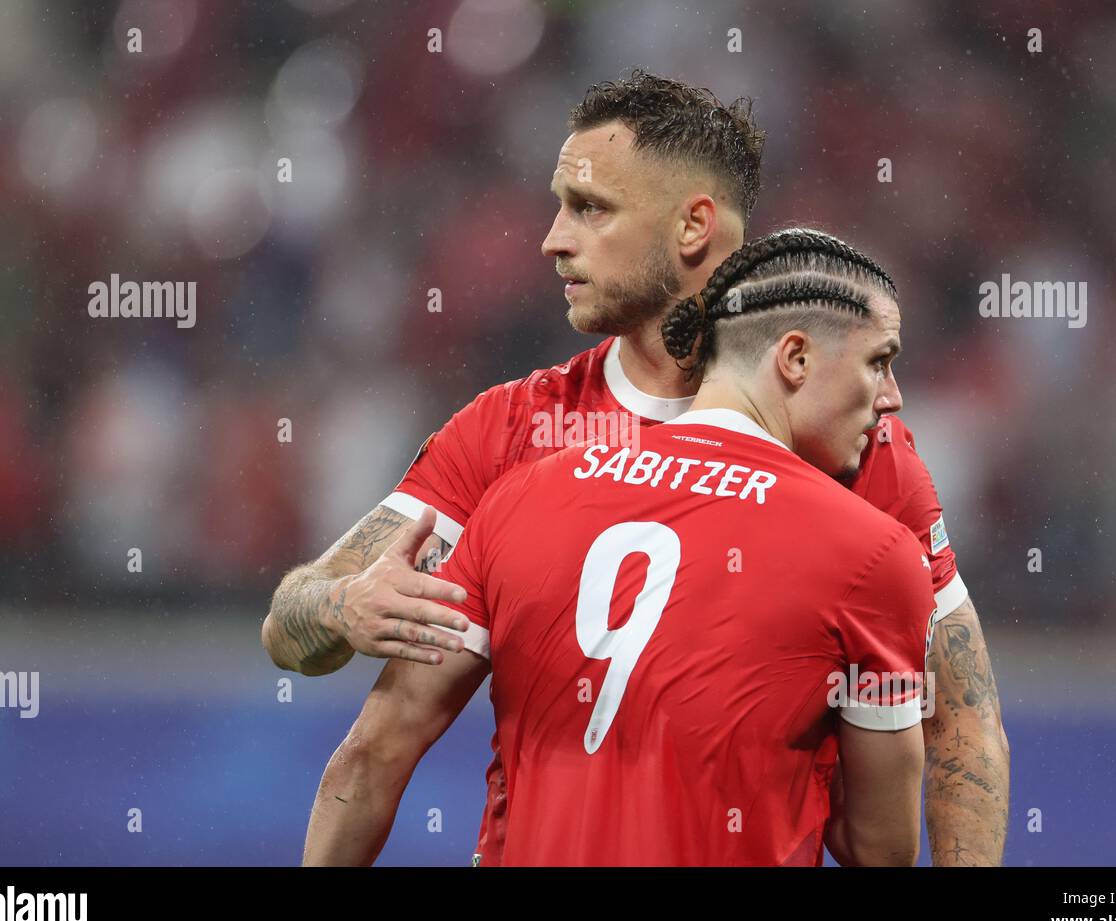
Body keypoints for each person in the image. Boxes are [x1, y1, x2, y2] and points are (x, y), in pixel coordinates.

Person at [268, 70, 1009, 866]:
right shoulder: (512, 428)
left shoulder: (858, 450)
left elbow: (960, 723)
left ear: (694, 226)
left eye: (589, 208)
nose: (553, 238)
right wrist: (343, 605)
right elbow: (294, 636)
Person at [307, 228, 933, 866]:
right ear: (794, 358)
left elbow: (370, 757)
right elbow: (874, 848)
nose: (891, 397)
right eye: (878, 361)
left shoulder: (522, 494)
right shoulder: (874, 553)